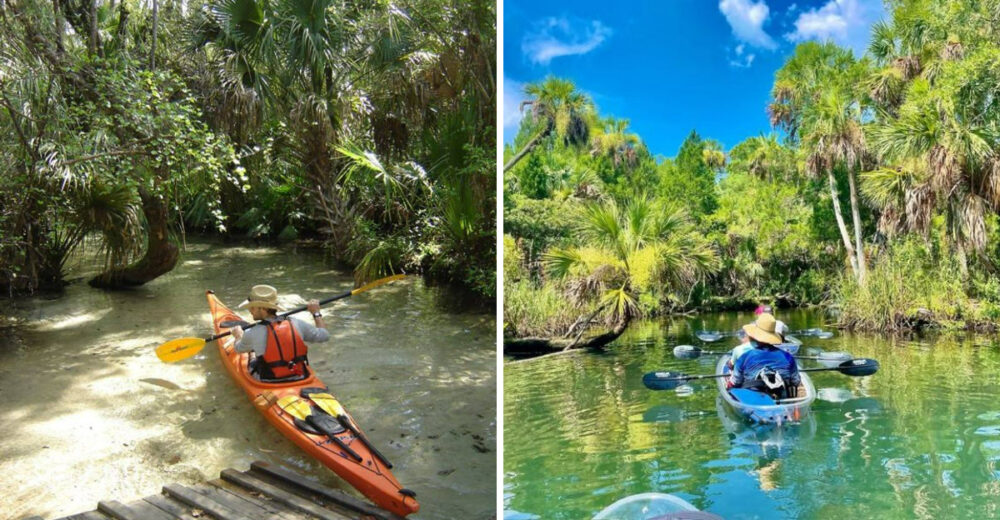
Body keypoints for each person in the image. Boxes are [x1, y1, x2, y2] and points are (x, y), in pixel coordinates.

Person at [230, 284, 330, 381]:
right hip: (300, 376)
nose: (249, 310)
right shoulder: (296, 323)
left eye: (252, 307)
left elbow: (238, 349)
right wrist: (316, 313)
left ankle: (252, 354)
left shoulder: (252, 332)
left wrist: (238, 336)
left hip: (269, 379)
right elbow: (324, 335)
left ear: (263, 308)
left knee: (251, 353)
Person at [727, 313, 800, 399]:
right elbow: (796, 381)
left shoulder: (744, 357)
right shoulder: (788, 357)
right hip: (781, 399)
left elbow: (735, 382)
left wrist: (728, 386)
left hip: (753, 402)